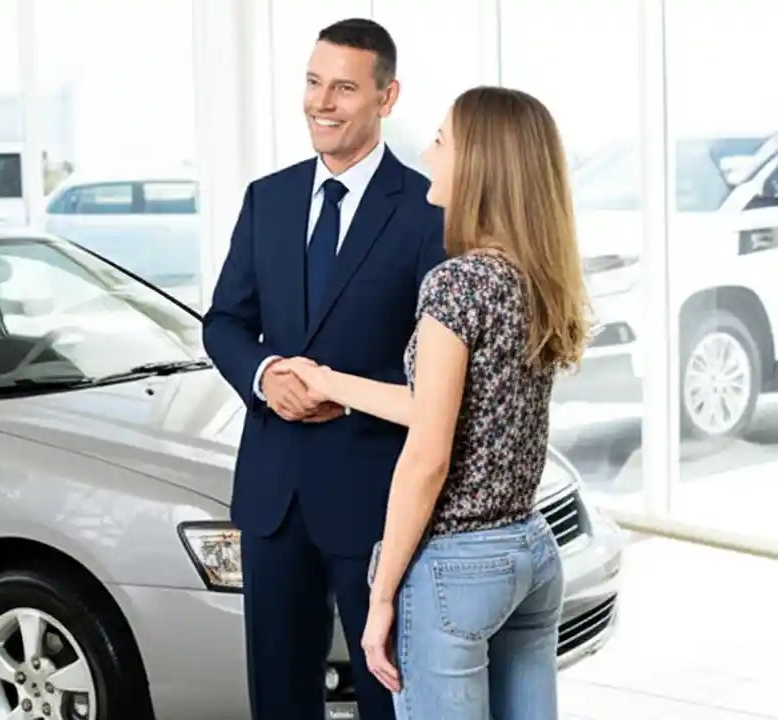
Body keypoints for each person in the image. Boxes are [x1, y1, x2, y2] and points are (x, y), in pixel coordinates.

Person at [283, 86, 591, 718]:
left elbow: (428, 455)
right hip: (529, 552)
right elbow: (444, 407)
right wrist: (331, 381)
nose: (426, 151)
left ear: (480, 164)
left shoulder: (455, 283)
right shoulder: (536, 277)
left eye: (443, 140)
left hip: (457, 566)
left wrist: (381, 594)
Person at [202, 17, 446, 720]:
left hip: (374, 497)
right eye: (313, 83)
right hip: (273, 495)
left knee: (387, 695)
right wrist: (265, 374)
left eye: (343, 87)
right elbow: (224, 322)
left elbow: (437, 369)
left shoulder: (427, 212)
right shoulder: (267, 198)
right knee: (278, 696)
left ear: (386, 97)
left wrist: (350, 397)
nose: (322, 102)